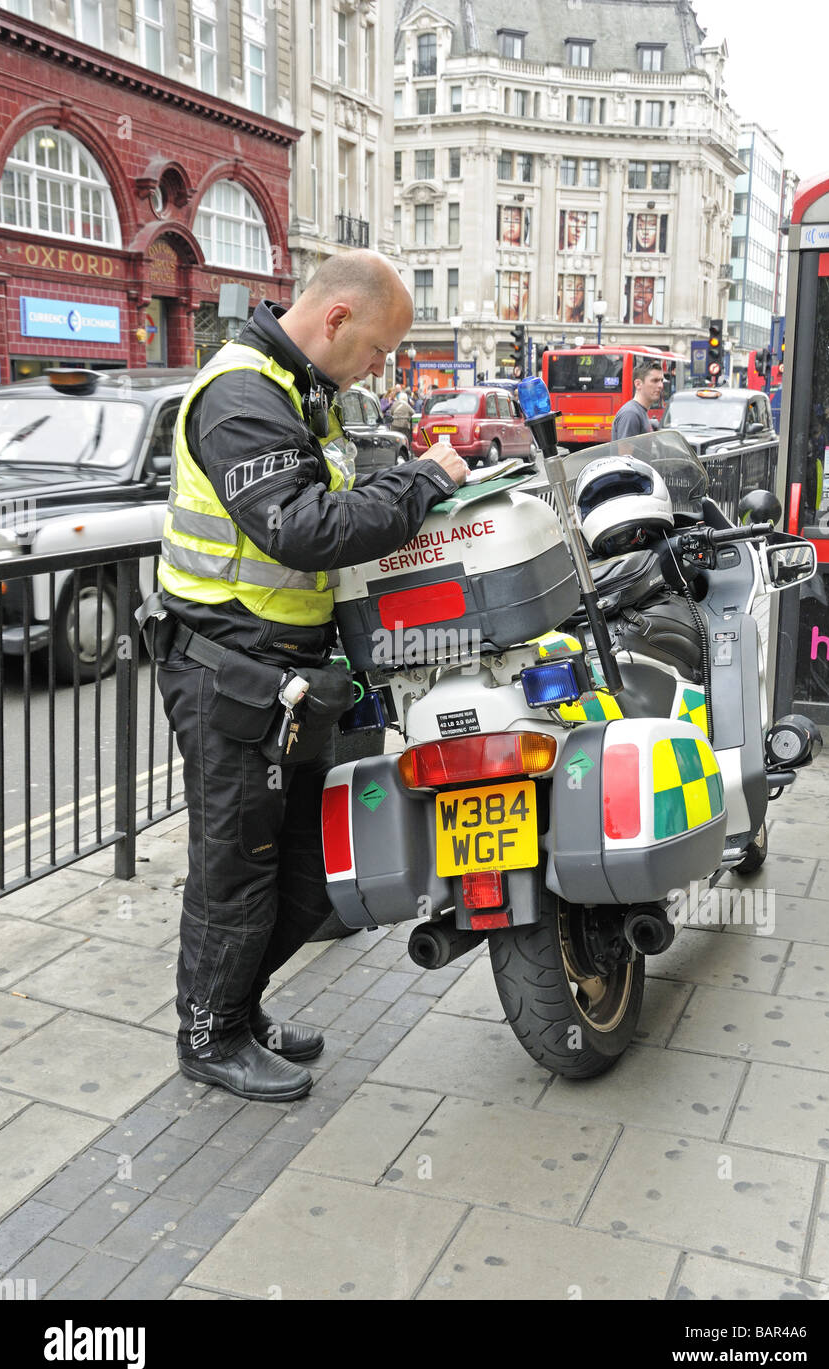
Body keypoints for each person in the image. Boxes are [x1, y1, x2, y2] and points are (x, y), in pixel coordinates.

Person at [146, 251, 467, 1104]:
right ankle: (209, 1035)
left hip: (285, 676)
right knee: (236, 865)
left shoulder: (300, 391)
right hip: (229, 677)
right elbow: (303, 528)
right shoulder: (241, 396)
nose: (379, 369)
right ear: (334, 319)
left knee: (299, 863)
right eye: (375, 349)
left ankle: (238, 1008)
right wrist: (423, 480)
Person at [611, 361, 664, 441]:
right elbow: (625, 453)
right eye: (655, 381)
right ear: (638, 384)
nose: (660, 385)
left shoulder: (639, 411)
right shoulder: (631, 414)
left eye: (661, 380)